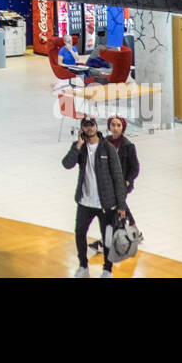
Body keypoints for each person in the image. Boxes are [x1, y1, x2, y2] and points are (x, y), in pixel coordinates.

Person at [62, 115, 127, 277]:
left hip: (105, 203)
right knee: (79, 232)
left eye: (92, 125)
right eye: (86, 126)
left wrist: (121, 205)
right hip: (85, 201)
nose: (89, 128)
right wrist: (77, 146)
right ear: (82, 129)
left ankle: (107, 269)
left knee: (107, 238)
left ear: (96, 127)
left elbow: (118, 177)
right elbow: (67, 164)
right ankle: (83, 266)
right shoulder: (79, 148)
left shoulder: (107, 148)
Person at [90, 115, 141, 256]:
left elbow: (135, 168)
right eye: (113, 125)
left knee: (115, 210)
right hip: (108, 183)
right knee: (121, 206)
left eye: (118, 125)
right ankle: (135, 231)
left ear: (123, 127)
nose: (115, 128)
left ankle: (105, 242)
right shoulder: (105, 142)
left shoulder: (128, 146)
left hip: (122, 184)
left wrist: (128, 181)